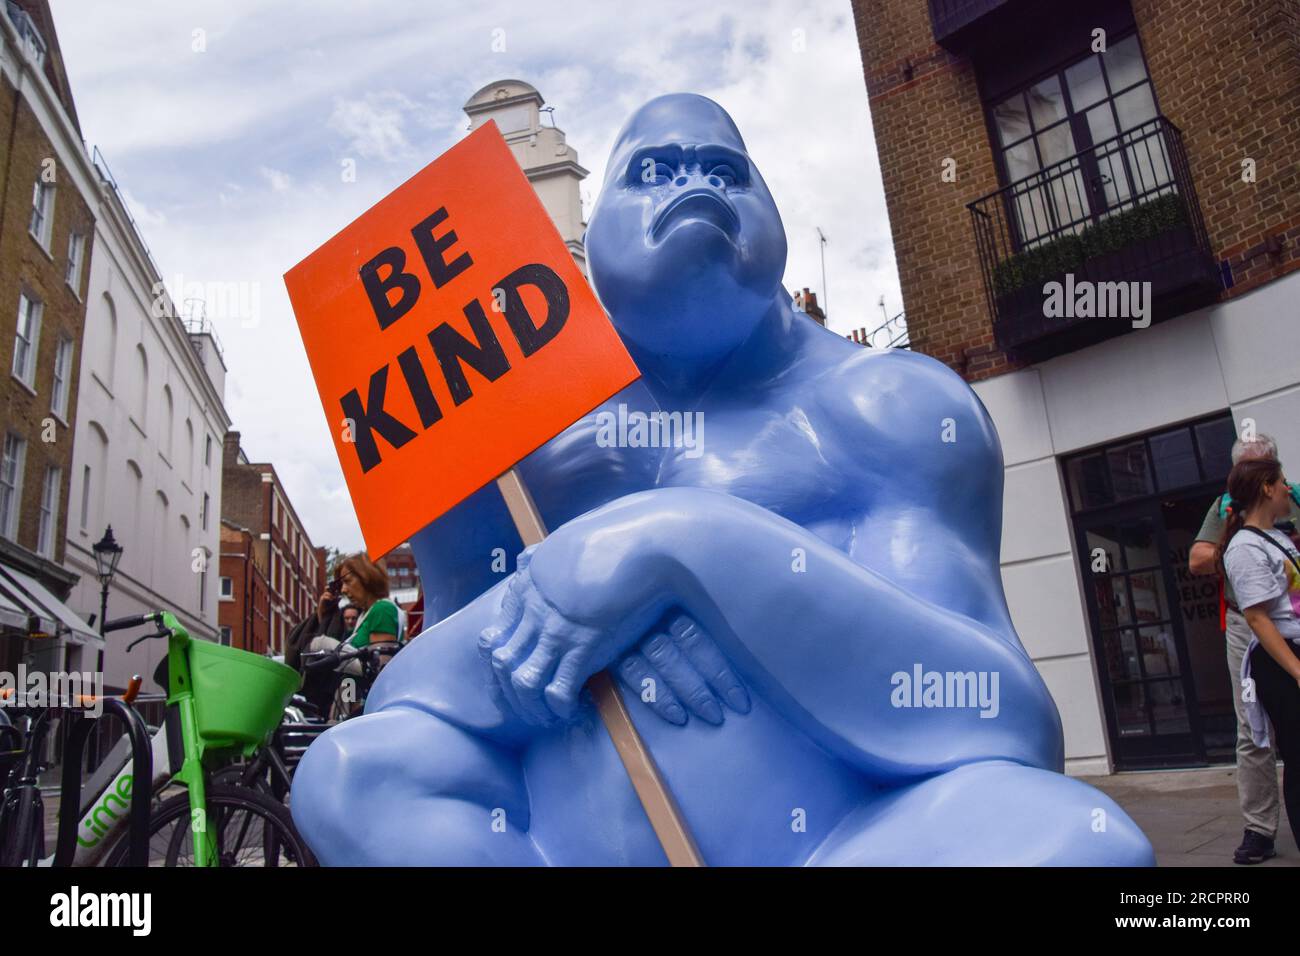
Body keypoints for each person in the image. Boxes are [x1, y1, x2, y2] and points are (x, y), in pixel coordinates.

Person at [292, 93, 1152, 866]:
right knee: (347, 777)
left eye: (723, 169)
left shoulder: (891, 406)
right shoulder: (517, 452)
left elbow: (1000, 716)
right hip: (550, 840)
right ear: (593, 233)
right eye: (654, 171)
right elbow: (415, 698)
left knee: (1077, 840)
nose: (694, 185)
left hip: (853, 845)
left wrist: (676, 550)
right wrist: (572, 612)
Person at [1189, 433, 1300, 863]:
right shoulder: (1226, 509)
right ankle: (1260, 828)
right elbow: (1198, 559)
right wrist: (1244, 547)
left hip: (1292, 621)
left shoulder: (1291, 498)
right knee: (1253, 729)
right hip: (1248, 625)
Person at [1220, 456, 1300, 857]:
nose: (1288, 488)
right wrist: (1297, 669)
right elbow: (1257, 617)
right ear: (1267, 488)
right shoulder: (1245, 547)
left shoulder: (1277, 537)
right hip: (1281, 659)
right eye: (1282, 481)